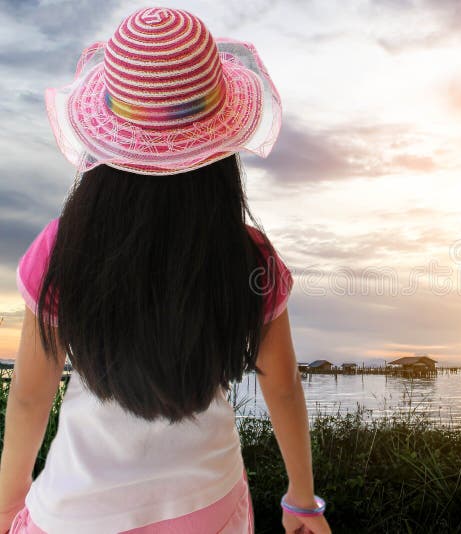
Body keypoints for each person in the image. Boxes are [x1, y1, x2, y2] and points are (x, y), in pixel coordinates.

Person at [0, 7, 331, 534]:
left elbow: (30, 396)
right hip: (210, 504)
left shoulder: (63, 250)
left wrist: (7, 504)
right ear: (221, 147)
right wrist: (301, 500)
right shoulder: (249, 258)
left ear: (105, 142)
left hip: (76, 513)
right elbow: (285, 386)